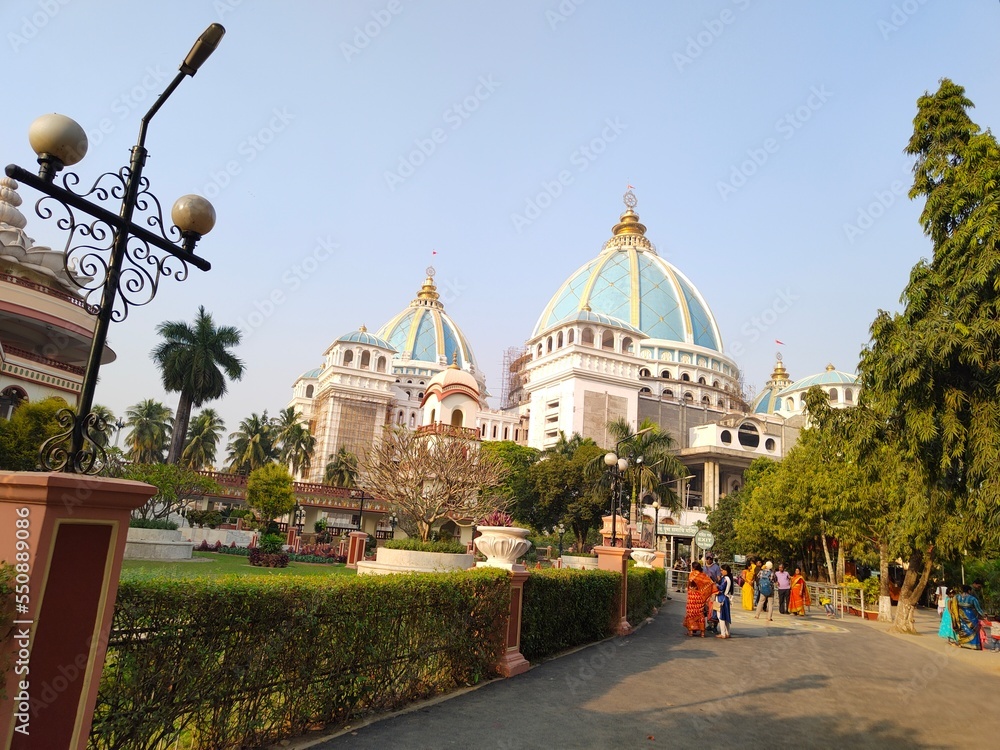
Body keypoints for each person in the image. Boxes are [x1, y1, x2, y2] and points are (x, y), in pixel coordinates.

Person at [948, 584, 987, 649]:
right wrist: (984, 615)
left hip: (960, 616)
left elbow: (953, 607)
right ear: (969, 591)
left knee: (963, 629)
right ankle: (974, 645)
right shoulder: (973, 599)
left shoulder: (957, 597)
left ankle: (964, 643)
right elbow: (978, 609)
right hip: (971, 616)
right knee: (973, 630)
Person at [690, 561, 718, 633]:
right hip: (700, 597)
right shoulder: (703, 575)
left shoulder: (692, 574)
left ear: (693, 568)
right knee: (700, 613)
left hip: (692, 597)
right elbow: (710, 584)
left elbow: (690, 584)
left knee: (692, 613)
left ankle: (693, 629)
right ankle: (702, 630)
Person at [716, 563, 734, 639]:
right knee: (726, 616)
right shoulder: (728, 578)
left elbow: (721, 588)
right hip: (725, 598)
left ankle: (723, 634)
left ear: (726, 571)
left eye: (722, 570)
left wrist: (715, 585)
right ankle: (727, 633)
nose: (721, 572)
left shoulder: (725, 579)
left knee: (721, 616)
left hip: (722, 598)